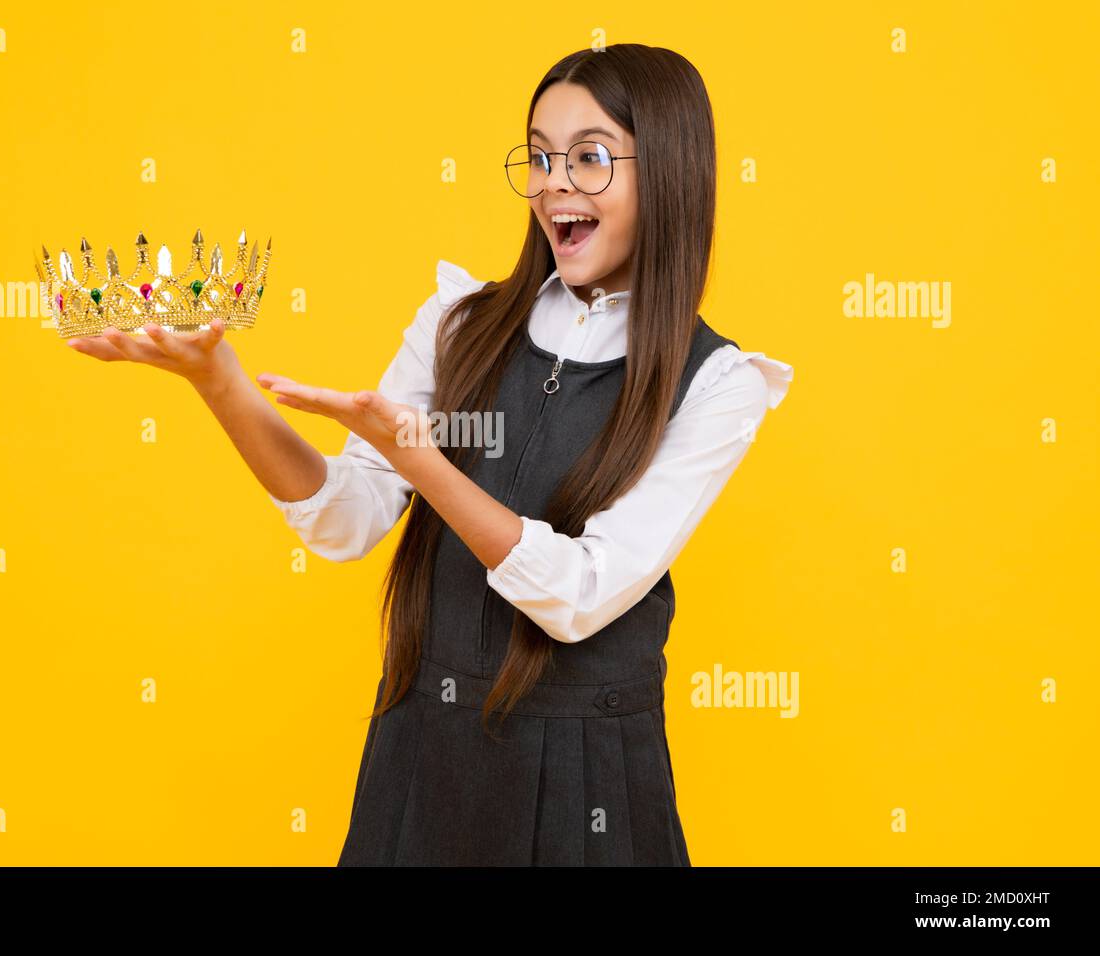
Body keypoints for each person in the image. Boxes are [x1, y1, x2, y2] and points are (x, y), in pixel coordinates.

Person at [66, 43, 793, 866]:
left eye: (589, 158)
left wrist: (423, 463)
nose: (555, 183)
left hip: (590, 788)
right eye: (542, 156)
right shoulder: (458, 323)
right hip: (428, 752)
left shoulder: (719, 385)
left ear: (668, 170)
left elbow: (581, 593)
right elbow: (343, 521)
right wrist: (218, 379)